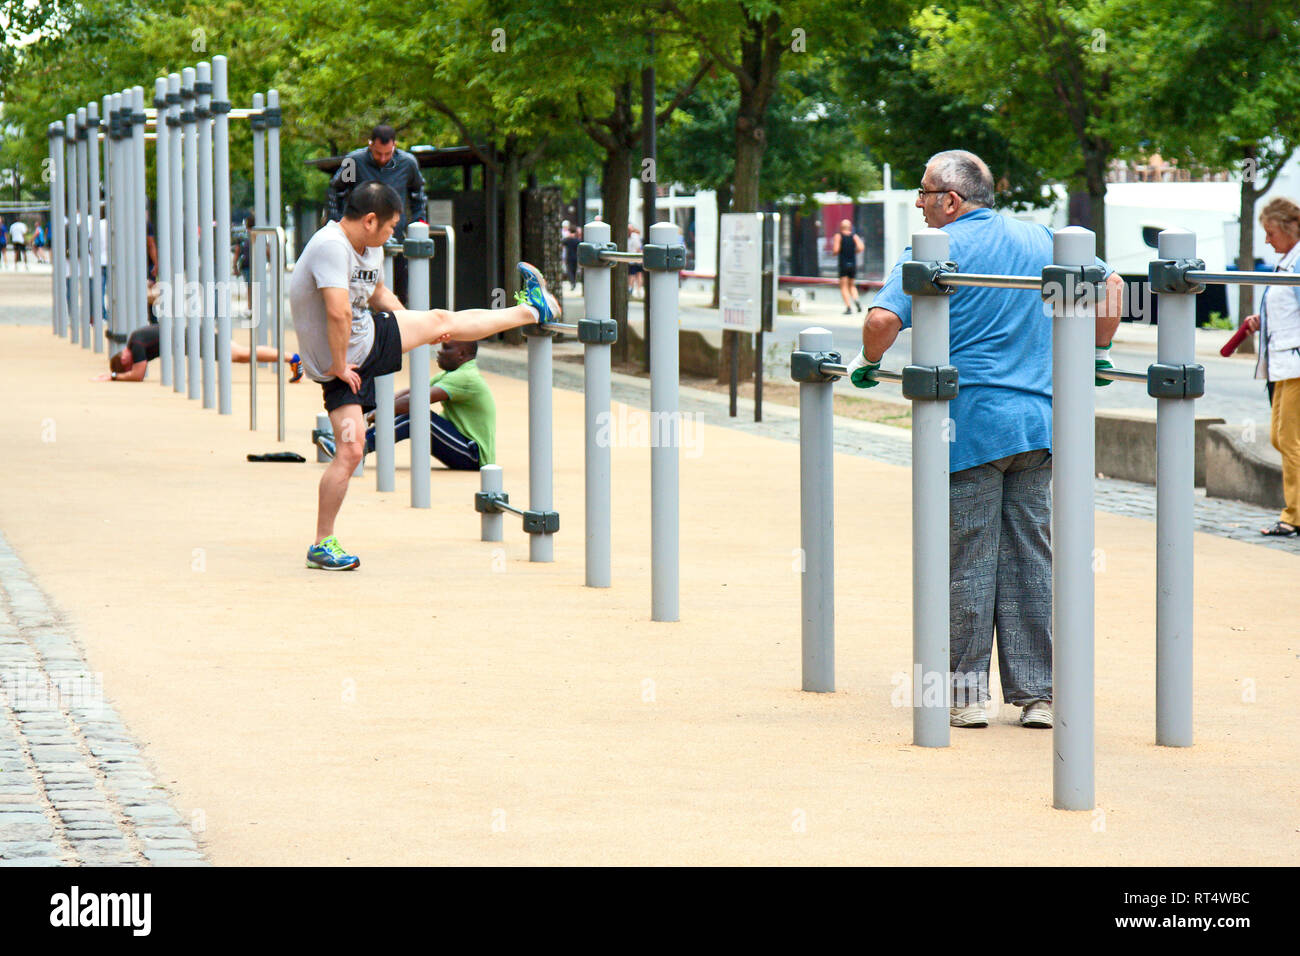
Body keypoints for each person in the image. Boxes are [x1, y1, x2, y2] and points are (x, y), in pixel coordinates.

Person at [847, 150, 1124, 729]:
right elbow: (1114, 286)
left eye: (924, 192)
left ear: (951, 200)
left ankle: (966, 694)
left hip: (968, 425)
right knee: (1031, 557)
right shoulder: (1042, 237)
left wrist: (868, 362)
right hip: (1039, 427)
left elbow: (878, 323)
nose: (918, 203)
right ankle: (1039, 695)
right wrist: (1097, 352)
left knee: (968, 559)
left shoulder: (938, 250)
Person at [292, 181, 559, 571]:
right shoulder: (331, 246)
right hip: (343, 363)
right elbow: (338, 313)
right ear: (369, 220)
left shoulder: (369, 246)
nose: (392, 234)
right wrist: (338, 365)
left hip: (360, 348)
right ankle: (534, 309)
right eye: (389, 227)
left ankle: (321, 544)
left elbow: (378, 293)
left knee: (437, 322)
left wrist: (409, 325)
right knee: (350, 448)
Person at [317, 339, 495, 471]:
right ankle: (349, 442)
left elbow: (415, 400)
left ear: (461, 354)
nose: (439, 352)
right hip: (461, 444)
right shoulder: (454, 373)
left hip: (472, 455)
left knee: (416, 415)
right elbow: (412, 391)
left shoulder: (466, 377)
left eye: (446, 348)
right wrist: (377, 406)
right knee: (401, 407)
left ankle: (358, 447)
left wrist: (379, 413)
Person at [1242, 197, 1300, 537]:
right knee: (1281, 438)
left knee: (1288, 439)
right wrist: (1262, 320)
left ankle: (1293, 515)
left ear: (1290, 229)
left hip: (1294, 363)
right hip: (1283, 363)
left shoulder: (1296, 263)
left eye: (1270, 232)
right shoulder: (1287, 261)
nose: (1267, 240)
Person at [326, 124, 426, 304]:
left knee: (400, 287)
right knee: (358, 286)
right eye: (378, 153)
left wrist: (419, 221)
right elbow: (336, 190)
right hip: (361, 239)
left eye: (387, 154)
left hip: (395, 236)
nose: (382, 158)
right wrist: (337, 220)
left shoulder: (407, 163)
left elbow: (418, 194)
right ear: (370, 144)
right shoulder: (355, 161)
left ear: (394, 145)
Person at [98, 324, 303, 382]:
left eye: (125, 363)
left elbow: (138, 374)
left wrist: (114, 377)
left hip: (197, 339)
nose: (130, 363)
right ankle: (290, 358)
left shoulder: (135, 345)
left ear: (123, 359)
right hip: (196, 338)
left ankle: (291, 358)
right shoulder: (135, 339)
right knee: (242, 355)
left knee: (242, 354)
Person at [833, 219, 864, 314]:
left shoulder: (839, 236)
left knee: (844, 286)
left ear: (841, 227)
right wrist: (854, 252)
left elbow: (836, 249)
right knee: (852, 285)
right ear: (850, 227)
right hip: (853, 263)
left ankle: (848, 307)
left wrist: (835, 252)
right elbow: (861, 247)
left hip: (843, 263)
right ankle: (856, 300)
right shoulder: (854, 236)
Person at [562, 224, 581, 290]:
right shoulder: (577, 240)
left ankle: (572, 282)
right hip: (575, 257)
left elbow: (562, 242)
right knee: (574, 271)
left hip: (569, 257)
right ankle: (574, 282)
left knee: (569, 271)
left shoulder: (568, 240)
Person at [627, 224, 644, 298]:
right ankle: (632, 288)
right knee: (633, 274)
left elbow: (638, 248)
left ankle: (636, 289)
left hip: (634, 258)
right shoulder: (629, 237)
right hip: (630, 259)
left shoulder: (634, 237)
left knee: (635, 274)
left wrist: (638, 259)